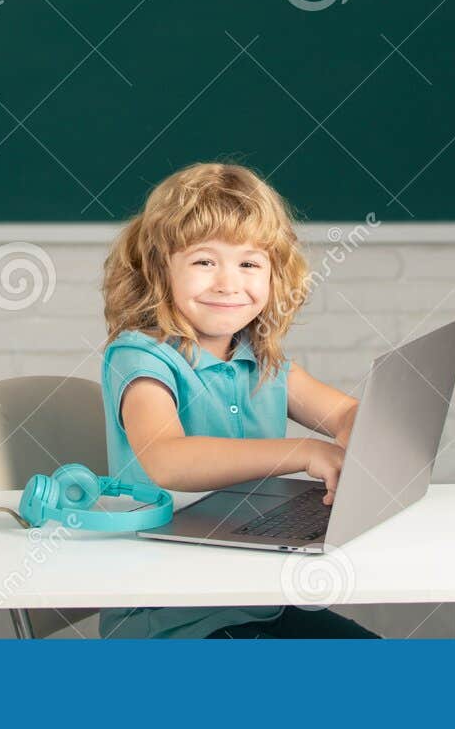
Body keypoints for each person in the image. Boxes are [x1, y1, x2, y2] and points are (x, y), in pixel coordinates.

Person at [97, 161, 379, 639]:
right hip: (171, 620)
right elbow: (168, 460)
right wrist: (304, 452)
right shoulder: (140, 358)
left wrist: (359, 435)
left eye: (249, 263)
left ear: (275, 276)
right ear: (160, 270)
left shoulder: (261, 360)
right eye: (205, 261)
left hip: (255, 600)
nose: (229, 283)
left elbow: (348, 413)